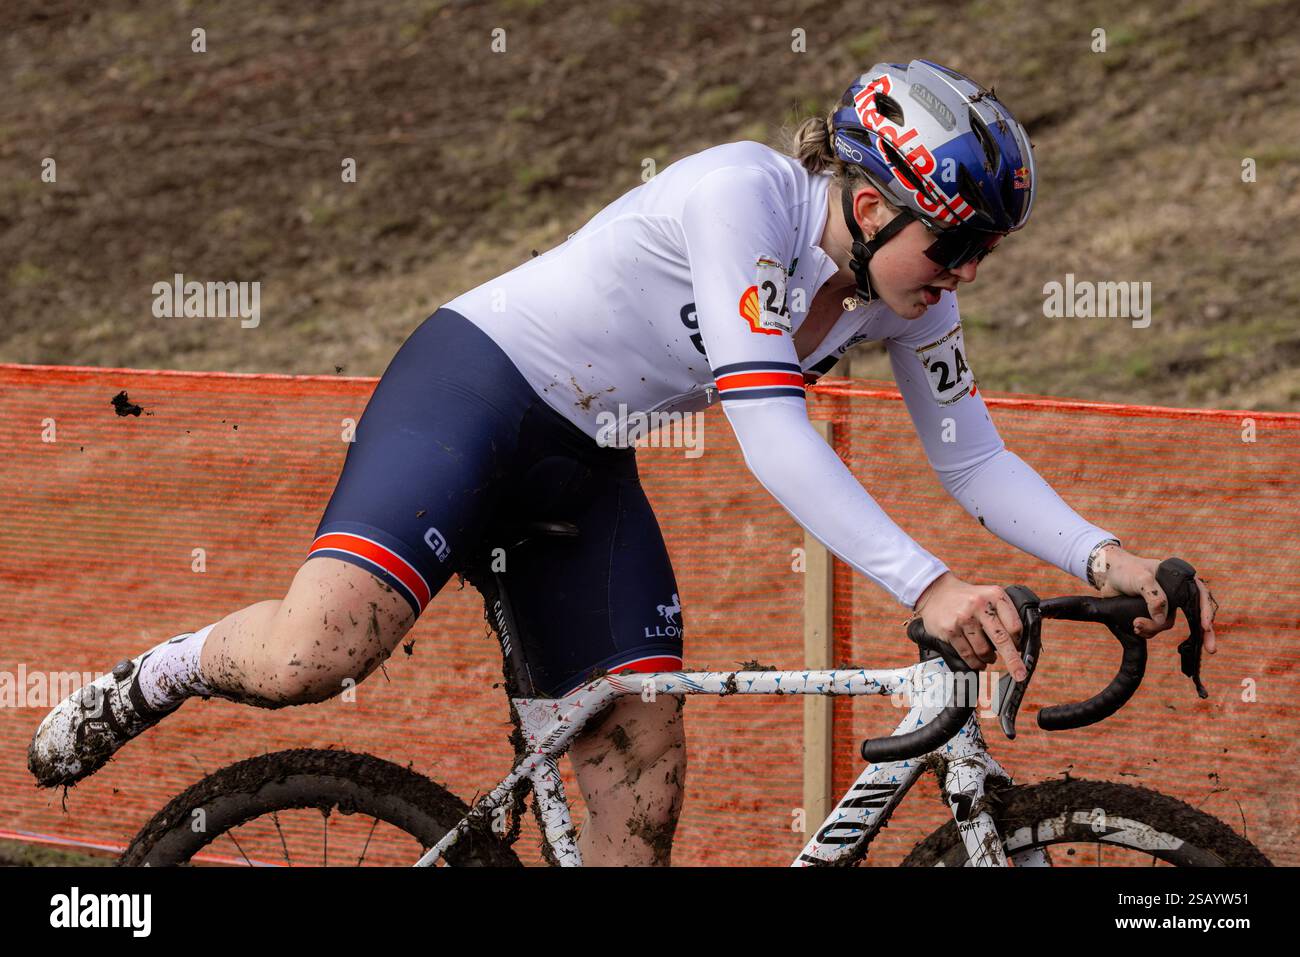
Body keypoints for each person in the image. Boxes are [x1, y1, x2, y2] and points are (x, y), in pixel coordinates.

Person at [30, 59, 1218, 865]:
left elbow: (974, 460)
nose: (961, 276)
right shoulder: (741, 197)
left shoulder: (902, 301)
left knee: (641, 765)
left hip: (582, 467)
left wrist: (1106, 557)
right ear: (867, 200)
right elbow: (767, 431)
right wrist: (931, 586)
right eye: (952, 245)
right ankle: (162, 673)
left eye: (981, 255)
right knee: (314, 653)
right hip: (477, 394)